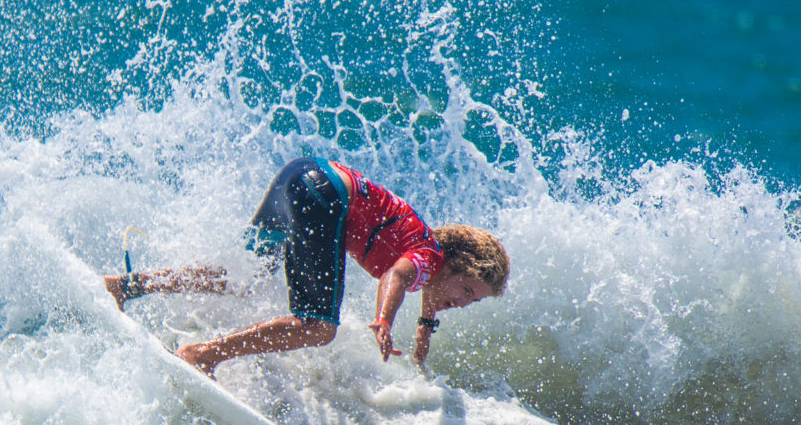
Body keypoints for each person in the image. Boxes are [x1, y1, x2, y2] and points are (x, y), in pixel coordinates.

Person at [104, 157, 509, 375]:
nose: (462, 303)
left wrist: (423, 339)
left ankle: (126, 286)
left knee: (246, 276)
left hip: (301, 174)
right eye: (467, 291)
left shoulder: (428, 253)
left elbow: (431, 299)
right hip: (325, 198)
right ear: (455, 265)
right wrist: (384, 320)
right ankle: (204, 355)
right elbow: (397, 276)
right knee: (318, 327)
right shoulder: (428, 259)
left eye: (472, 301)